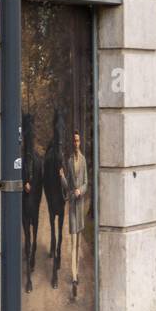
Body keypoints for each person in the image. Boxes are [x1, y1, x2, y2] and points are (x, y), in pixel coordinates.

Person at [62, 129, 88, 300]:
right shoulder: (69, 160)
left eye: (78, 141)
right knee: (72, 242)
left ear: (80, 142)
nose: (76, 143)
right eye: (74, 141)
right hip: (72, 205)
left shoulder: (84, 160)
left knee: (78, 243)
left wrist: (82, 190)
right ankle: (74, 276)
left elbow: (86, 182)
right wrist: (62, 177)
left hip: (81, 207)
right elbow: (66, 187)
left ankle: (76, 270)